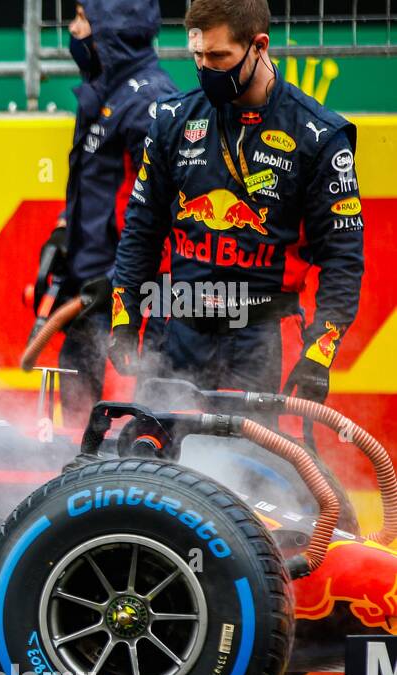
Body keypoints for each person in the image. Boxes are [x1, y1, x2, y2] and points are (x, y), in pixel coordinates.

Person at [110, 0, 364, 401]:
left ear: (259, 45)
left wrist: (320, 351)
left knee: (251, 464)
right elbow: (142, 228)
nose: (205, 67)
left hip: (262, 341)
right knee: (149, 460)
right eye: (198, 55)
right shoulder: (172, 121)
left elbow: (343, 260)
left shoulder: (319, 137)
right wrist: (123, 317)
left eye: (218, 56)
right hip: (177, 331)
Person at [38, 0, 176, 419]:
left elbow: (164, 220)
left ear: (111, 27)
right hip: (86, 294)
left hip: (123, 305)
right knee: (73, 437)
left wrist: (121, 284)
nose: (73, 28)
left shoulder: (150, 99)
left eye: (83, 18)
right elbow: (98, 191)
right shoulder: (104, 92)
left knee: (128, 437)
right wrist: (66, 237)